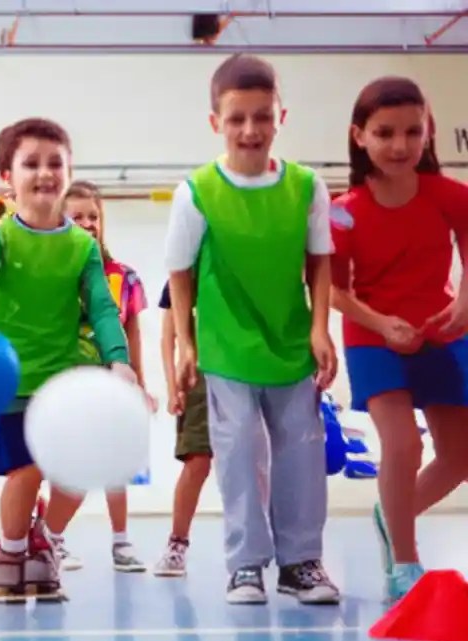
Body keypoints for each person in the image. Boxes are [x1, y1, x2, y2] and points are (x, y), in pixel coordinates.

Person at [166, 53, 339, 605]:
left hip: (289, 340)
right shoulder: (195, 191)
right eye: (237, 118)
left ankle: (302, 562)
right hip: (227, 342)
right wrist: (186, 343)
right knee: (238, 448)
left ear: (279, 118)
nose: (250, 129)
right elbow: (180, 271)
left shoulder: (307, 186)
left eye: (261, 117)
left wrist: (320, 329)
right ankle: (245, 565)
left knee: (302, 450)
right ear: (216, 122)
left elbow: (319, 261)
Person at [0, 117, 134, 604]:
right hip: (12, 377)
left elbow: (103, 307)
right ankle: (9, 554)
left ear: (69, 172)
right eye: (31, 163)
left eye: (56, 163)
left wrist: (119, 359)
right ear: (7, 175)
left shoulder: (83, 246)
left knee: (78, 471)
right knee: (25, 473)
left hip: (65, 378)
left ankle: (43, 543)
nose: (45, 172)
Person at [329, 76, 468, 602]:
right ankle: (404, 565)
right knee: (404, 444)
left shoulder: (448, 195)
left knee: (461, 456)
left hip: (443, 331)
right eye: (384, 133)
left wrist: (463, 302)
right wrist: (383, 323)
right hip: (373, 337)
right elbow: (335, 292)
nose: (400, 145)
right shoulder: (344, 212)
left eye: (413, 132)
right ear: (359, 136)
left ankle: (392, 513)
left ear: (428, 133)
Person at [43, 180, 153, 573]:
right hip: (67, 383)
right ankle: (52, 537)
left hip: (113, 383)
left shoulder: (124, 276)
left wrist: (139, 380)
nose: (88, 223)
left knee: (117, 463)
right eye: (78, 217)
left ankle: (121, 541)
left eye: (94, 216)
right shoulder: (54, 274)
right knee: (68, 467)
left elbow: (133, 330)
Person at [151, 280, 214, 577]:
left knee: (256, 462)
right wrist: (172, 383)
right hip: (198, 378)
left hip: (243, 371)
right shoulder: (184, 272)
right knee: (197, 460)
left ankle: (268, 543)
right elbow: (168, 337)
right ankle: (177, 544)